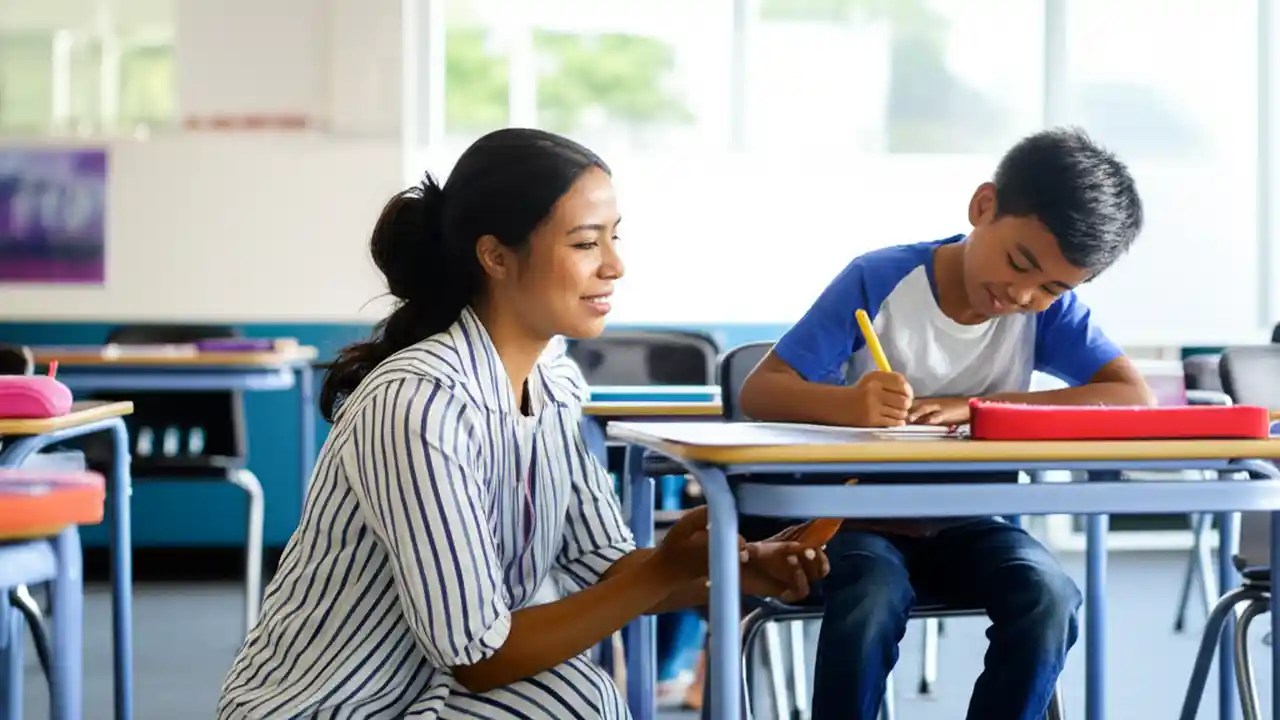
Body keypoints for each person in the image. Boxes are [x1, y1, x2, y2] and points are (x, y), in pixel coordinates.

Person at [217, 127, 827, 719]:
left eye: (614, 237)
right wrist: (665, 567)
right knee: (572, 700)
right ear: (496, 257)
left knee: (578, 696)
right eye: (585, 244)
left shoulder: (555, 384)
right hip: (328, 709)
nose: (615, 265)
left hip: (424, 698)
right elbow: (479, 656)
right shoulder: (419, 401)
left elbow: (604, 566)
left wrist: (732, 570)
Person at [739, 127, 1151, 720]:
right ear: (983, 206)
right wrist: (850, 406)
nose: (1022, 294)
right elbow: (761, 390)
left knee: (1049, 596)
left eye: (1052, 287)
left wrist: (979, 406)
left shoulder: (1050, 312)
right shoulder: (879, 278)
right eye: (1020, 262)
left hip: (971, 521)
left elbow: (1130, 396)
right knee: (870, 599)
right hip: (856, 518)